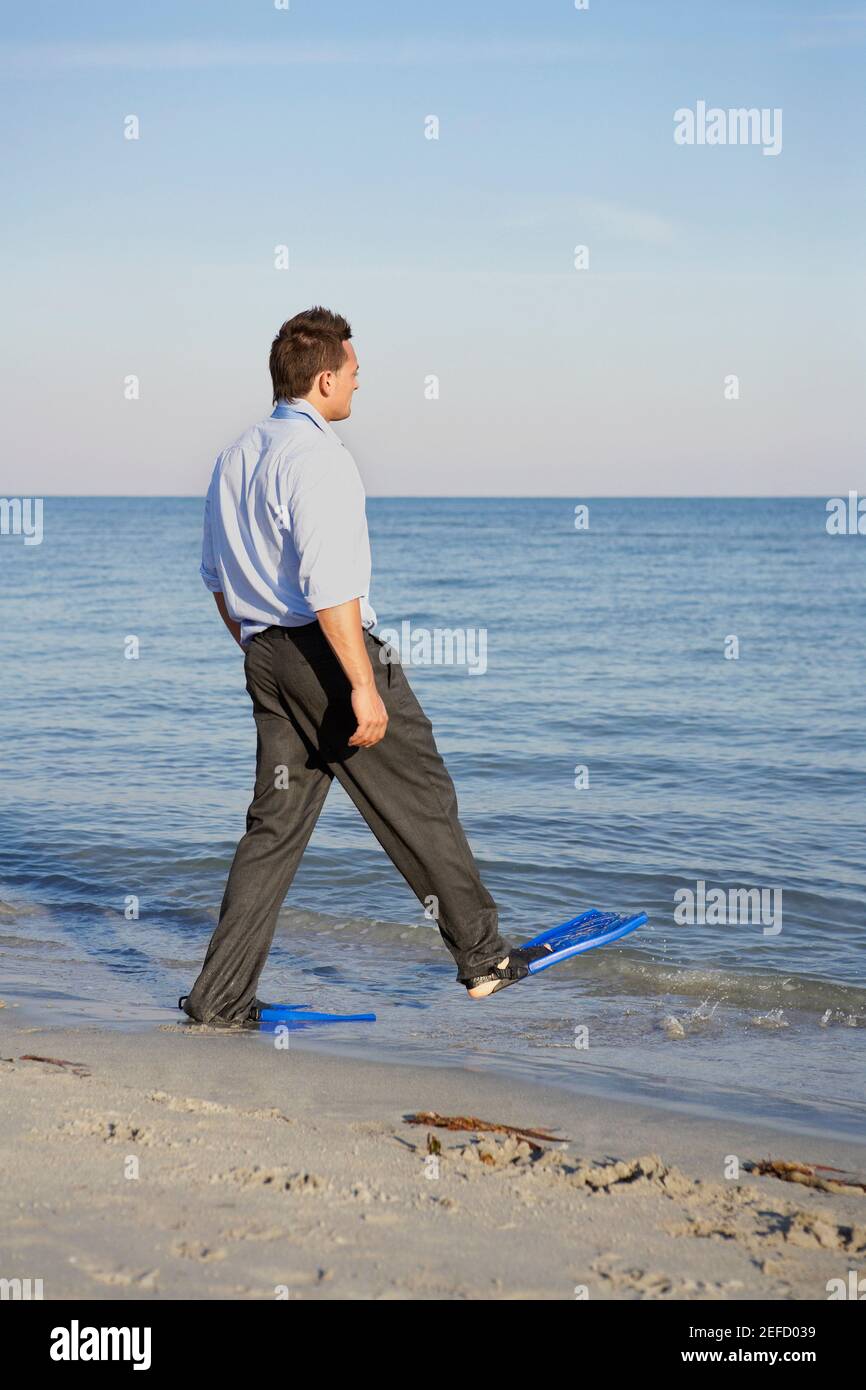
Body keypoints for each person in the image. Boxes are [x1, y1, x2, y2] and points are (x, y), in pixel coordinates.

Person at [181, 307, 550, 1024]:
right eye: (353, 373)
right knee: (420, 794)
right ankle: (483, 957)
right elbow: (330, 590)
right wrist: (359, 686)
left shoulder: (234, 457)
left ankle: (218, 999)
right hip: (327, 653)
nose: (358, 384)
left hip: (265, 652)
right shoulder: (319, 459)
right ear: (324, 379)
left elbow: (216, 579)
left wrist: (262, 652)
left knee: (273, 831)